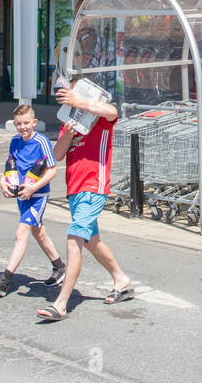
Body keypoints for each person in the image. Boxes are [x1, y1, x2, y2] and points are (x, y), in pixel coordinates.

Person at [36, 81, 132, 322]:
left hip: (93, 185)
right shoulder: (69, 122)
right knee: (92, 241)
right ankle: (120, 279)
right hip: (75, 189)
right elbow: (56, 155)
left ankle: (61, 303)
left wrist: (79, 102)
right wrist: (68, 133)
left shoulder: (99, 116)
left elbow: (113, 112)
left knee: (74, 240)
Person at [0, 105, 67, 297]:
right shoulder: (14, 141)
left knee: (21, 233)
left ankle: (4, 280)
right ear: (14, 124)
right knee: (39, 232)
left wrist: (33, 188)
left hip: (37, 196)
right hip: (22, 195)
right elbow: (9, 166)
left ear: (34, 123)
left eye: (27, 123)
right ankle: (59, 267)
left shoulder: (41, 141)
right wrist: (2, 182)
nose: (23, 127)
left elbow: (52, 170)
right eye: (19, 124)